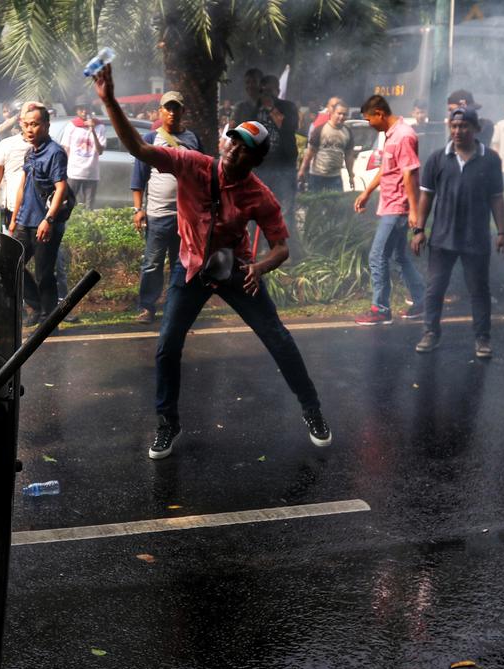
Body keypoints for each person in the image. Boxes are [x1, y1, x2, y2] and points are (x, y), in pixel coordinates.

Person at [95, 64, 331, 459]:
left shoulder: (260, 195)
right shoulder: (192, 163)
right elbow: (139, 148)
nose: (232, 150)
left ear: (254, 160)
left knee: (278, 338)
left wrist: (259, 267)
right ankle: (167, 423)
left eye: (242, 149)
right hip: (189, 269)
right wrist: (109, 100)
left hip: (236, 270)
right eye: (231, 142)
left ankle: (313, 409)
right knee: (167, 346)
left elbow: (281, 248)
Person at [410, 108, 504, 358]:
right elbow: (426, 196)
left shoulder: (490, 159)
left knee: (479, 290)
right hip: (442, 238)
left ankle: (482, 338)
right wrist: (419, 229)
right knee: (435, 289)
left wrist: (501, 233)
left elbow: (497, 199)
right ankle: (431, 332)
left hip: (476, 238)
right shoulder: (437, 158)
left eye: (463, 126)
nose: (457, 131)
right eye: (453, 126)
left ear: (475, 128)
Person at [352, 95, 426, 325]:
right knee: (399, 256)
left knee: (377, 256)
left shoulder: (404, 135)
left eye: (369, 119)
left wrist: (414, 211)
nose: (369, 124)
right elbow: (387, 169)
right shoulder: (391, 135)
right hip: (391, 204)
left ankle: (381, 309)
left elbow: (409, 174)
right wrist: (366, 193)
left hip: (398, 207)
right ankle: (423, 301)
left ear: (379, 114)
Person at [131, 91, 201, 324]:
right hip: (159, 214)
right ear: (160, 111)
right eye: (167, 108)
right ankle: (147, 307)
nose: (172, 113)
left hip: (186, 214)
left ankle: (176, 307)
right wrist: (138, 209)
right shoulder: (151, 139)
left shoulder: (193, 139)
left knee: (181, 263)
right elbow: (139, 178)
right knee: (152, 263)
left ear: (183, 111)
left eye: (176, 108)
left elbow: (201, 172)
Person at [10, 103, 74, 325]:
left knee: (44, 274)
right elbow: (23, 186)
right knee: (11, 264)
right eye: (26, 125)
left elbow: (61, 188)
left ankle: (48, 319)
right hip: (24, 220)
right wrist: (13, 219)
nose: (30, 129)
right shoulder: (31, 152)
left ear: (46, 126)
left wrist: (49, 220)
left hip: (44, 223)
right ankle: (37, 307)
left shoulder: (55, 152)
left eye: (35, 124)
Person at [252, 75, 300, 256]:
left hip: (283, 167)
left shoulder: (287, 107)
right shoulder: (253, 108)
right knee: (257, 211)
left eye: (271, 89)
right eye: (264, 89)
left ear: (278, 90)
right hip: (259, 167)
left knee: (285, 210)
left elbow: (289, 128)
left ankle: (283, 252)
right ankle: (259, 250)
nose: (267, 93)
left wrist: (271, 107)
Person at [0, 101, 40, 231]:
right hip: (11, 205)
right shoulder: (7, 142)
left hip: (39, 210)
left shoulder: (47, 145)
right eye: (24, 118)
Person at [58, 97, 106, 210]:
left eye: (86, 108)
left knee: (89, 208)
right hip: (73, 173)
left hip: (91, 174)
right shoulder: (72, 126)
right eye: (81, 109)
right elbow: (66, 149)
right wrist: (64, 170)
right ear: (76, 110)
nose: (84, 111)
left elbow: (100, 151)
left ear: (90, 109)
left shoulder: (99, 126)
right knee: (69, 205)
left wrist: (92, 130)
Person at [298, 102, 355, 194]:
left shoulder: (347, 132)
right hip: (317, 176)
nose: (342, 117)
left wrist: (351, 176)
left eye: (345, 114)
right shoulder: (320, 129)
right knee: (315, 205)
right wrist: (302, 171)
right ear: (332, 113)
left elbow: (349, 156)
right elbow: (310, 152)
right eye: (339, 113)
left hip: (335, 177)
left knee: (335, 206)